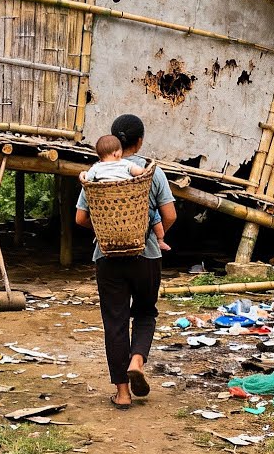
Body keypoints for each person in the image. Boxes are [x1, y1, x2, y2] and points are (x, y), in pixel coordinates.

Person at [75, 115, 177, 410]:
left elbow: (80, 218)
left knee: (115, 322)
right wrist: (150, 234)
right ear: (139, 141)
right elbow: (169, 215)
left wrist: (107, 229)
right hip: (146, 255)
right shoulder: (150, 172)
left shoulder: (96, 172)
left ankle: (122, 393)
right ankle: (137, 361)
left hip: (107, 257)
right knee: (145, 312)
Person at [79, 134, 169, 252]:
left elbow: (80, 218)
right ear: (117, 153)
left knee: (100, 216)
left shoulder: (96, 168)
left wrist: (83, 174)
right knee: (152, 213)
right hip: (130, 207)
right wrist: (145, 171)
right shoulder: (125, 164)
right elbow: (137, 171)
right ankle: (160, 240)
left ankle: (106, 237)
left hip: (108, 210)